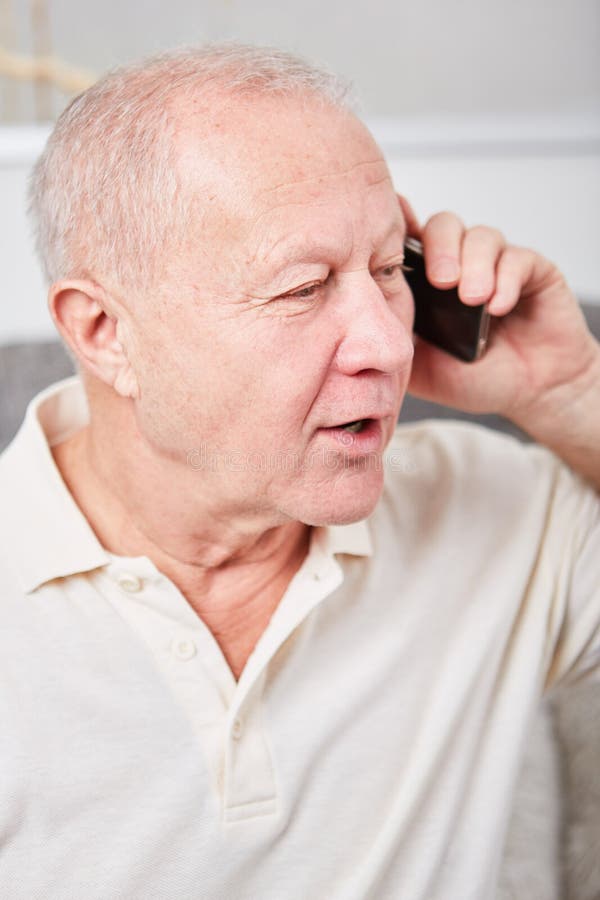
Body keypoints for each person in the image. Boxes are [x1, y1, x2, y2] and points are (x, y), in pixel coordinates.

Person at [0, 43, 598, 900]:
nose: (391, 345)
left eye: (390, 269)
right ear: (104, 333)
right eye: (303, 288)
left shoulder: (495, 509)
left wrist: (573, 394)